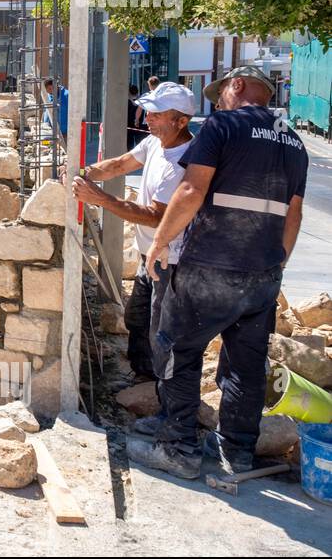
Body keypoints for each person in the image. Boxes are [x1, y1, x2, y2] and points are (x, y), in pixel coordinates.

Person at [131, 66, 309, 479]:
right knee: (246, 365)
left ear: (237, 85)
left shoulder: (224, 125)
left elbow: (192, 190)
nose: (217, 102)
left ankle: (178, 448)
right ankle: (238, 452)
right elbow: (293, 215)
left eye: (220, 93)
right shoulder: (295, 142)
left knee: (177, 347)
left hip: (211, 266)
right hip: (262, 274)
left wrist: (159, 243)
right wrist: (275, 265)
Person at [71, 82, 196, 384]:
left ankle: (164, 391)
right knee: (137, 317)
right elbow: (119, 165)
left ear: (180, 121)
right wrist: (85, 173)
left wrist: (100, 198)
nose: (147, 117)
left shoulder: (183, 163)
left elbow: (155, 216)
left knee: (161, 330)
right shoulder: (155, 143)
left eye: (156, 114)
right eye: (148, 111)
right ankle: (144, 377)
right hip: (149, 254)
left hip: (172, 260)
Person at [43, 77, 69, 144]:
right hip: (50, 130)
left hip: (64, 132)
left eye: (50, 89)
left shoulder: (67, 95)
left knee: (64, 150)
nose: (49, 91)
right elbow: (46, 111)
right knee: (44, 144)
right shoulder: (49, 95)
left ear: (56, 86)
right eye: (47, 89)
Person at [126, 83, 149, 150]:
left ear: (129, 92)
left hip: (129, 126)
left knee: (129, 145)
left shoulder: (126, 102)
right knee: (140, 144)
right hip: (139, 126)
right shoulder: (141, 101)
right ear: (137, 92)